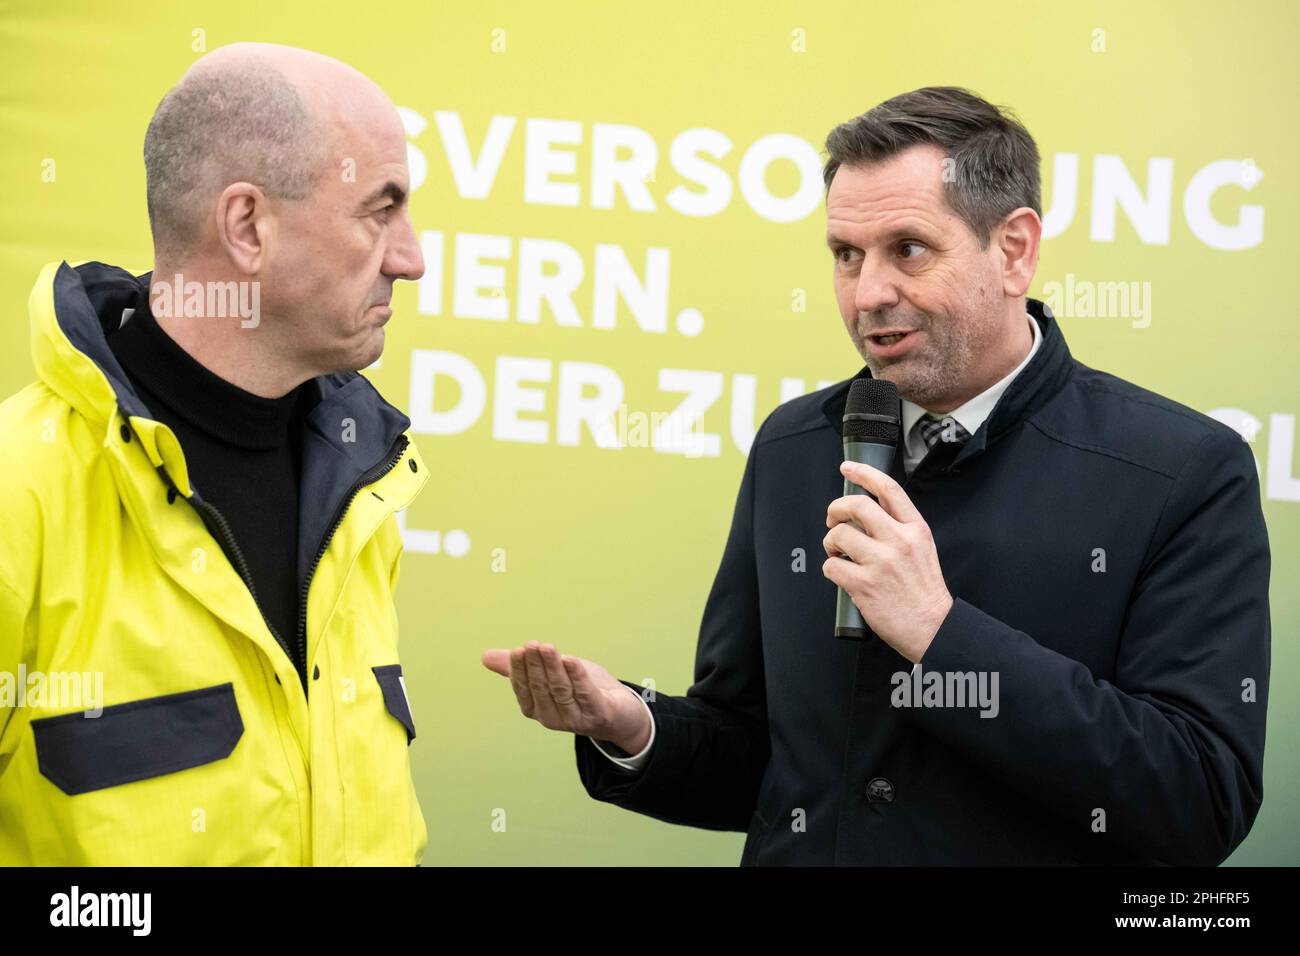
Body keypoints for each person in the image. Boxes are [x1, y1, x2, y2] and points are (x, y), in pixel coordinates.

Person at [483, 86, 1271, 865]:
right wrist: (633, 725)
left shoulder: (1180, 472)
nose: (868, 295)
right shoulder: (794, 446)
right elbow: (761, 764)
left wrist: (940, 633)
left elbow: (1198, 800)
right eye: (845, 255)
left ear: (1015, 250)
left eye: (909, 249)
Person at [0, 43, 428, 864]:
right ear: (246, 226)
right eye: (381, 210)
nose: (411, 258)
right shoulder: (27, 490)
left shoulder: (363, 490)